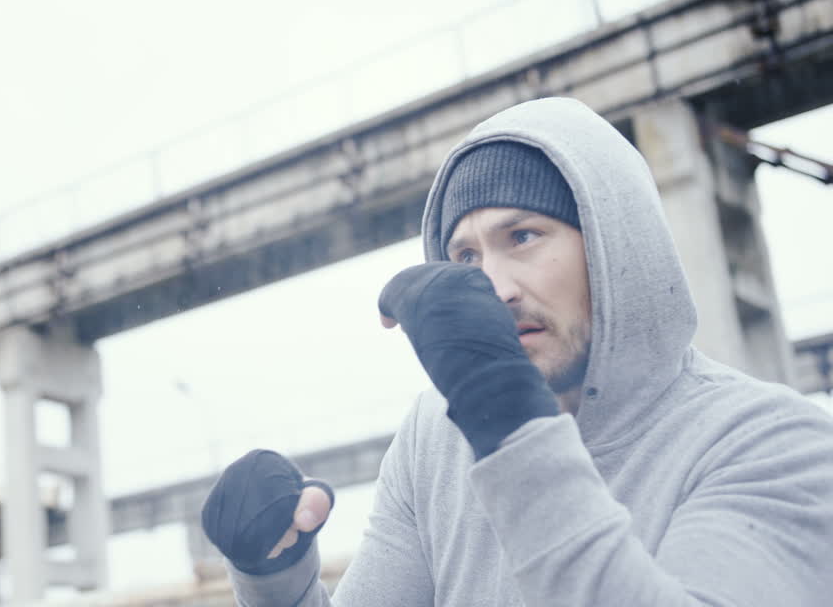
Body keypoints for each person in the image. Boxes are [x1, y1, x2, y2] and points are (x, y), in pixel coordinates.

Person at [200, 97, 833, 606]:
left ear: (614, 247)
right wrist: (276, 582)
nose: (493, 288)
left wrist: (511, 428)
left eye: (523, 236)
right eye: (465, 257)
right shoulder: (435, 436)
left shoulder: (777, 445)